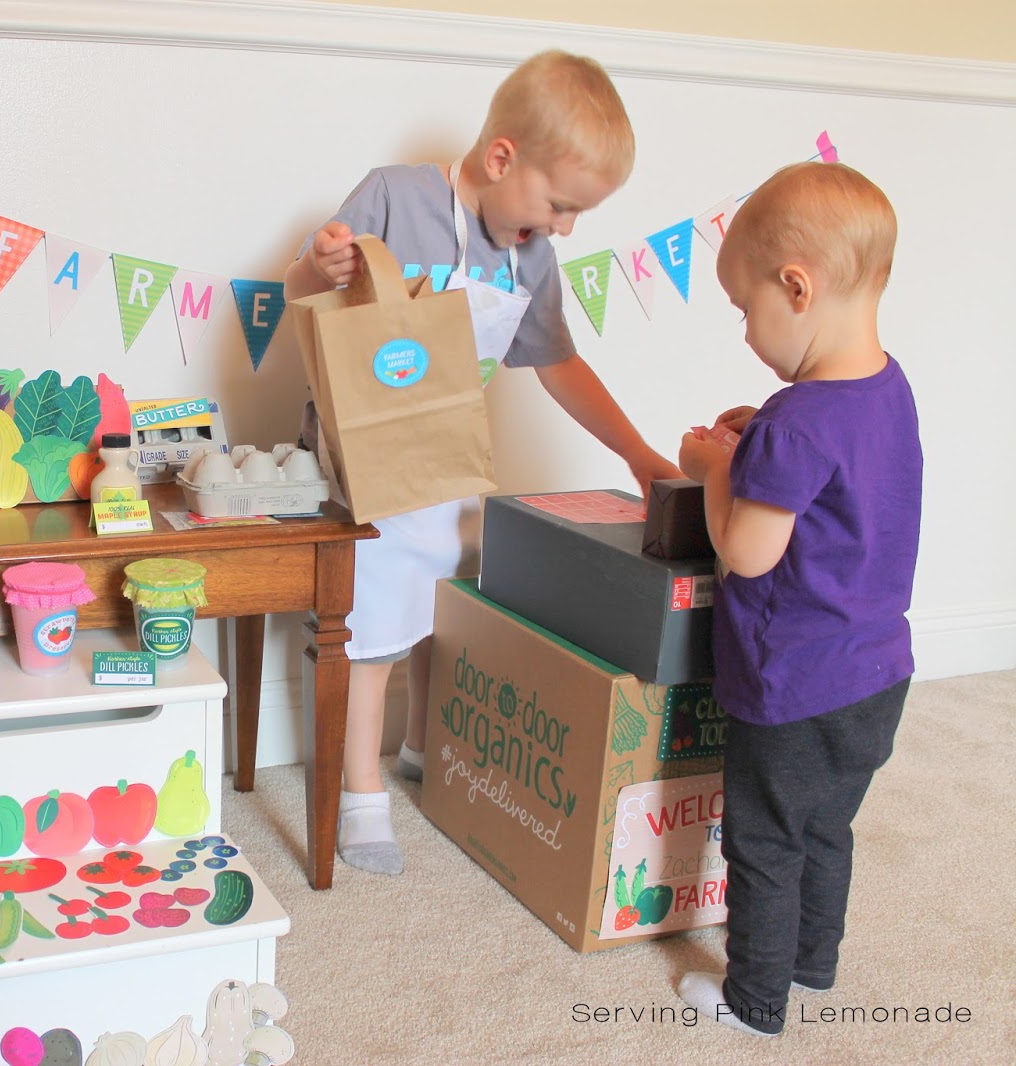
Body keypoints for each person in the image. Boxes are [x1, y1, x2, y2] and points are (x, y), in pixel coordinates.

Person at [282, 50, 682, 875]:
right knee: (379, 599)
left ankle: (430, 745)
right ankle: (360, 785)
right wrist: (315, 266)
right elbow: (301, 293)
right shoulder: (394, 196)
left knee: (454, 593)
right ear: (502, 158)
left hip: (446, 453)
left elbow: (557, 362)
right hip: (362, 461)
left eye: (576, 216)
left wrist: (638, 454)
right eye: (558, 206)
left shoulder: (526, 256)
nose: (564, 229)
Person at [674, 161, 921, 1036]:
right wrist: (759, 442)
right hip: (877, 678)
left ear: (798, 286)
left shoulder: (793, 425)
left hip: (795, 689)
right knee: (826, 830)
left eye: (748, 310)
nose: (745, 331)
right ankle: (814, 965)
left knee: (766, 842)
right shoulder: (887, 392)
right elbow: (834, 498)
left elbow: (744, 551)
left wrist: (716, 467)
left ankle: (754, 1005)